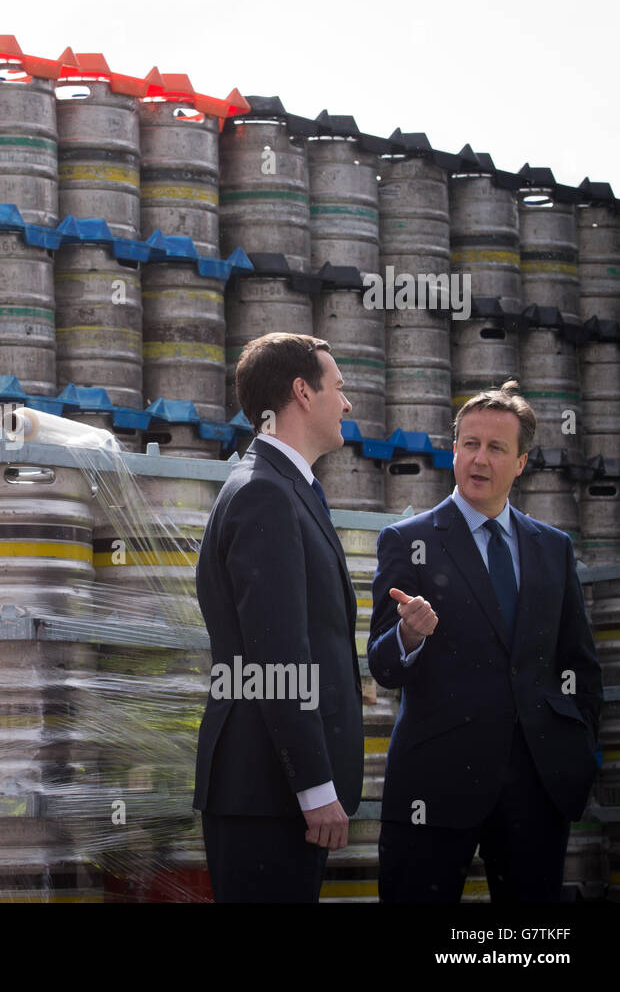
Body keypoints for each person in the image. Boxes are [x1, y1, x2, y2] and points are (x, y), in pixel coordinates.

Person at [367, 381, 602, 902]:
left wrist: (579, 753)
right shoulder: (410, 541)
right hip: (434, 786)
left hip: (536, 789)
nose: (479, 458)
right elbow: (382, 664)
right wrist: (407, 634)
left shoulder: (552, 549)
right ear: (454, 450)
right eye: (469, 444)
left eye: (496, 448)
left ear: (521, 463)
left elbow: (579, 665)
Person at [193, 332, 363, 902]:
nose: (347, 403)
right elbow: (279, 659)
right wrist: (314, 787)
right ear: (302, 392)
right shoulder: (264, 493)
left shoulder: (289, 488)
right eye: (338, 388)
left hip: (275, 793)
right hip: (268, 794)